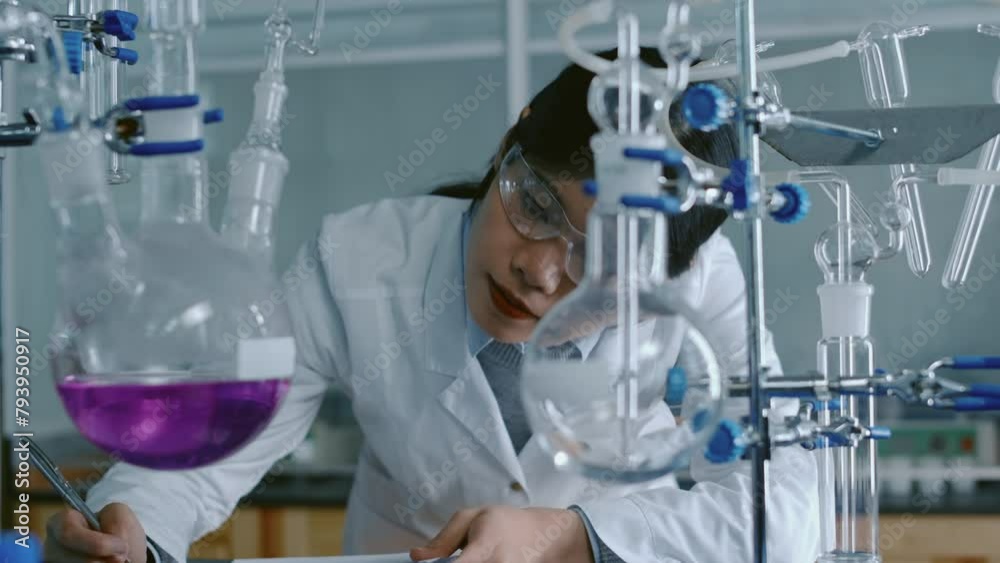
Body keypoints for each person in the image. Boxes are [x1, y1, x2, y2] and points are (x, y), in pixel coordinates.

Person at [45, 48, 818, 563]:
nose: (540, 271)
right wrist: (134, 522)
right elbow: (211, 451)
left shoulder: (704, 285)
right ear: (509, 143)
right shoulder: (355, 261)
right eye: (535, 204)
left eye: (602, 265)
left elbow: (787, 511)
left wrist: (570, 538)